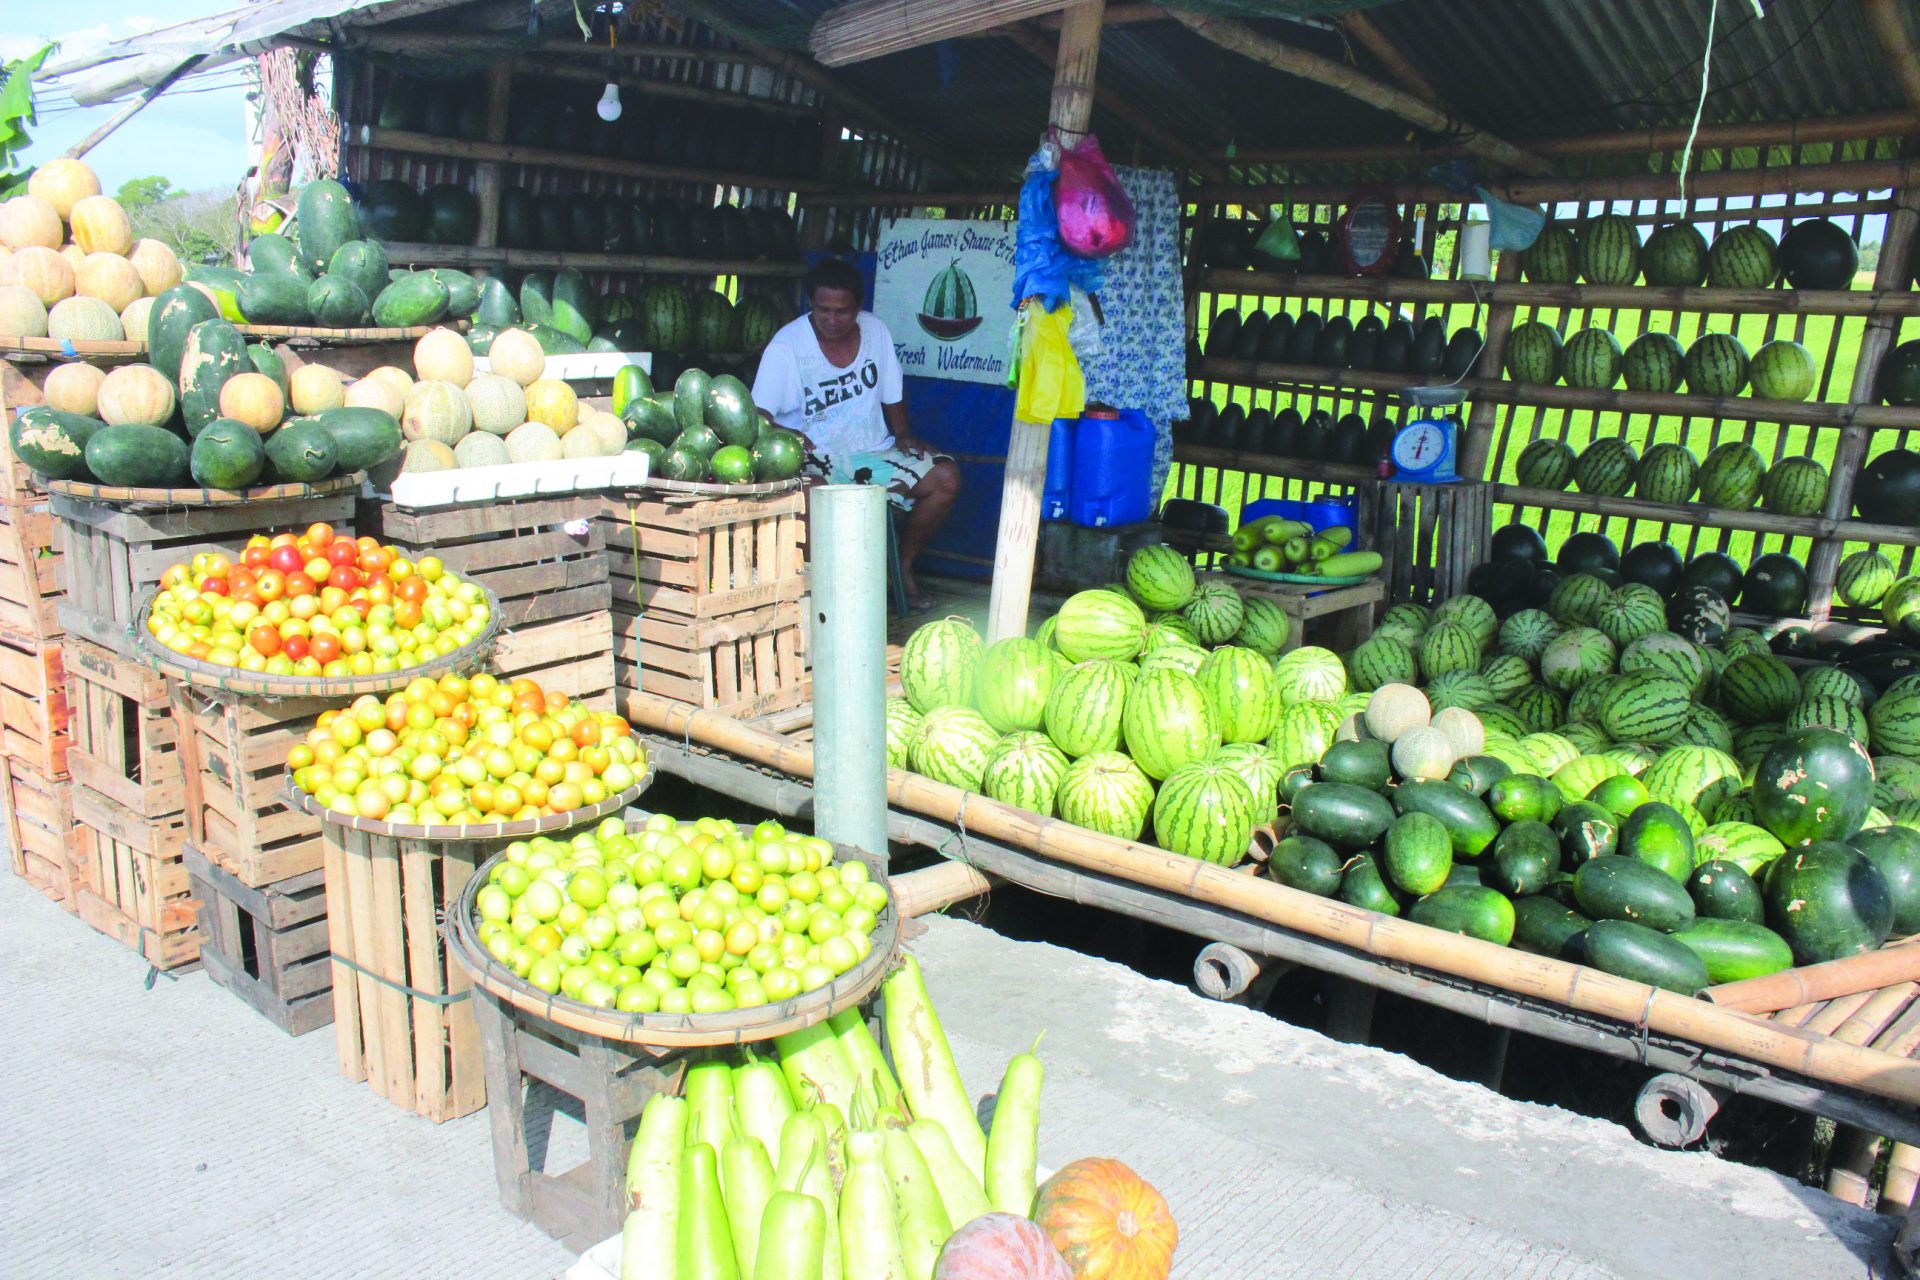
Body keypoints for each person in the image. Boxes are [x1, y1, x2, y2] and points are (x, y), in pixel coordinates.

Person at [752, 257, 961, 611]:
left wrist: (903, 433)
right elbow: (757, 418)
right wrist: (788, 434)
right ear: (810, 305)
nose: (833, 320)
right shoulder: (786, 347)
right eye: (824, 310)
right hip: (814, 459)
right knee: (817, 498)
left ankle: (901, 569)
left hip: (873, 454)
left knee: (945, 477)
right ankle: (832, 595)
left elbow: (892, 391)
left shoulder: (875, 331)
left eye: (842, 311)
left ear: (858, 308)